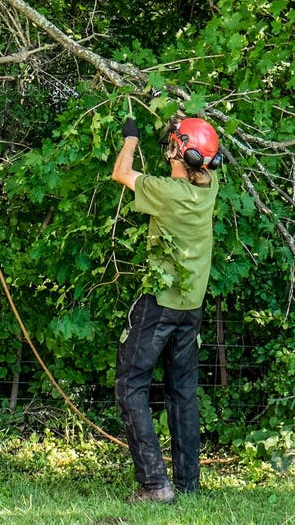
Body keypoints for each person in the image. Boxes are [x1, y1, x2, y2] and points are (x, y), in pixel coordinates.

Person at [111, 115, 222, 504]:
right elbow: (198, 156)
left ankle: (155, 485)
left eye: (173, 143)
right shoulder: (209, 187)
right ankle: (188, 484)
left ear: (179, 153)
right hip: (191, 306)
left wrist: (130, 138)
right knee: (183, 392)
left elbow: (121, 173)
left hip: (160, 304)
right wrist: (182, 127)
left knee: (130, 386)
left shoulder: (167, 192)